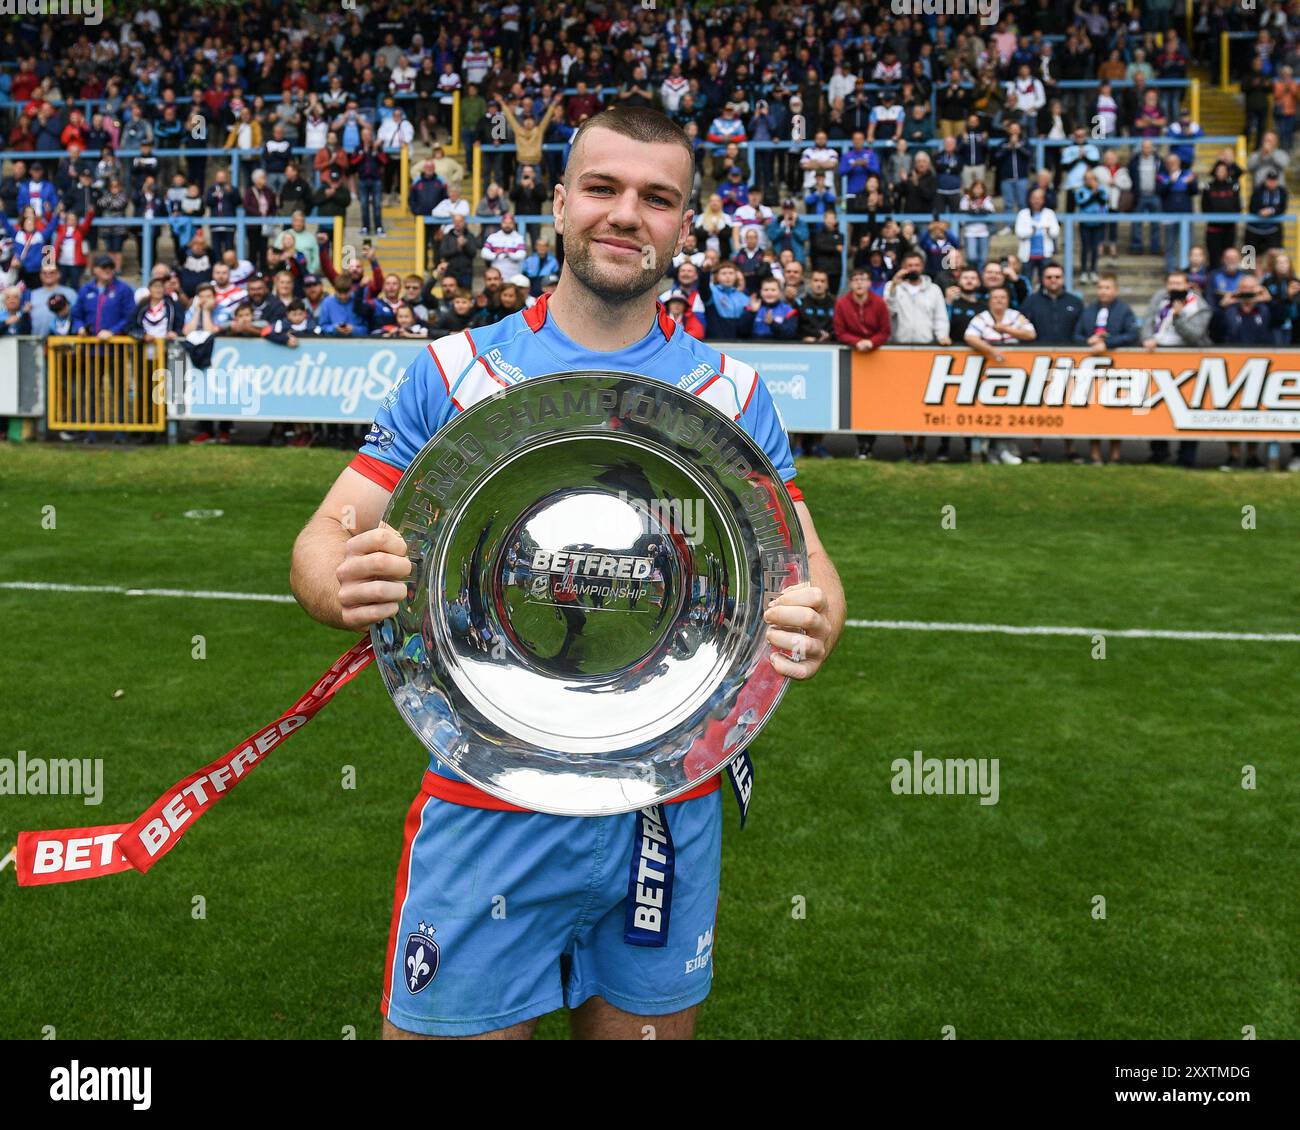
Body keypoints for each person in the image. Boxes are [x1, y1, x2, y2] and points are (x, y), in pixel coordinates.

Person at [288, 106, 845, 1042]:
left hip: (668, 806)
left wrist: (815, 616)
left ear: (683, 226)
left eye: (657, 198)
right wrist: (338, 579)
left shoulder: (732, 396)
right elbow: (322, 538)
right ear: (558, 203)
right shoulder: (456, 372)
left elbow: (809, 568)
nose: (627, 214)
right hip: (492, 794)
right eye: (603, 188)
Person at [1142, 271, 1211, 467]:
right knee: (1156, 406)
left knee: (1188, 408)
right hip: (1160, 358)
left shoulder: (1199, 305)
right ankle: (1158, 452)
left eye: (1178, 283)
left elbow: (1195, 336)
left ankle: (1186, 456)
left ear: (1187, 285)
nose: (1174, 287)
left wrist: (1179, 316)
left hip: (1187, 360)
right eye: (1170, 283)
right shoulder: (1159, 298)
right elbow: (1147, 321)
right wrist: (1147, 338)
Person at [964, 285, 1036, 465]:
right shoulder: (982, 318)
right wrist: (991, 350)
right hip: (988, 374)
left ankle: (1006, 448)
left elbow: (1031, 333)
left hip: (1012, 372)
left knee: (1009, 411)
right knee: (989, 412)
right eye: (995, 298)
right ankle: (990, 451)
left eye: (1002, 297)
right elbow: (970, 337)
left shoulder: (1015, 316)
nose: (999, 301)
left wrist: (1007, 330)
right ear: (989, 300)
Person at [833, 267, 891, 460]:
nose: (859, 283)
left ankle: (870, 444)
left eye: (863, 279)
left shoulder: (879, 303)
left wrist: (871, 342)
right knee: (856, 401)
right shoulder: (842, 304)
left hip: (875, 357)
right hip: (853, 357)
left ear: (869, 283)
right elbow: (840, 331)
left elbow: (885, 330)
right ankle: (861, 444)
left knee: (874, 401)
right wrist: (856, 342)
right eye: (855, 279)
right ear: (850, 283)